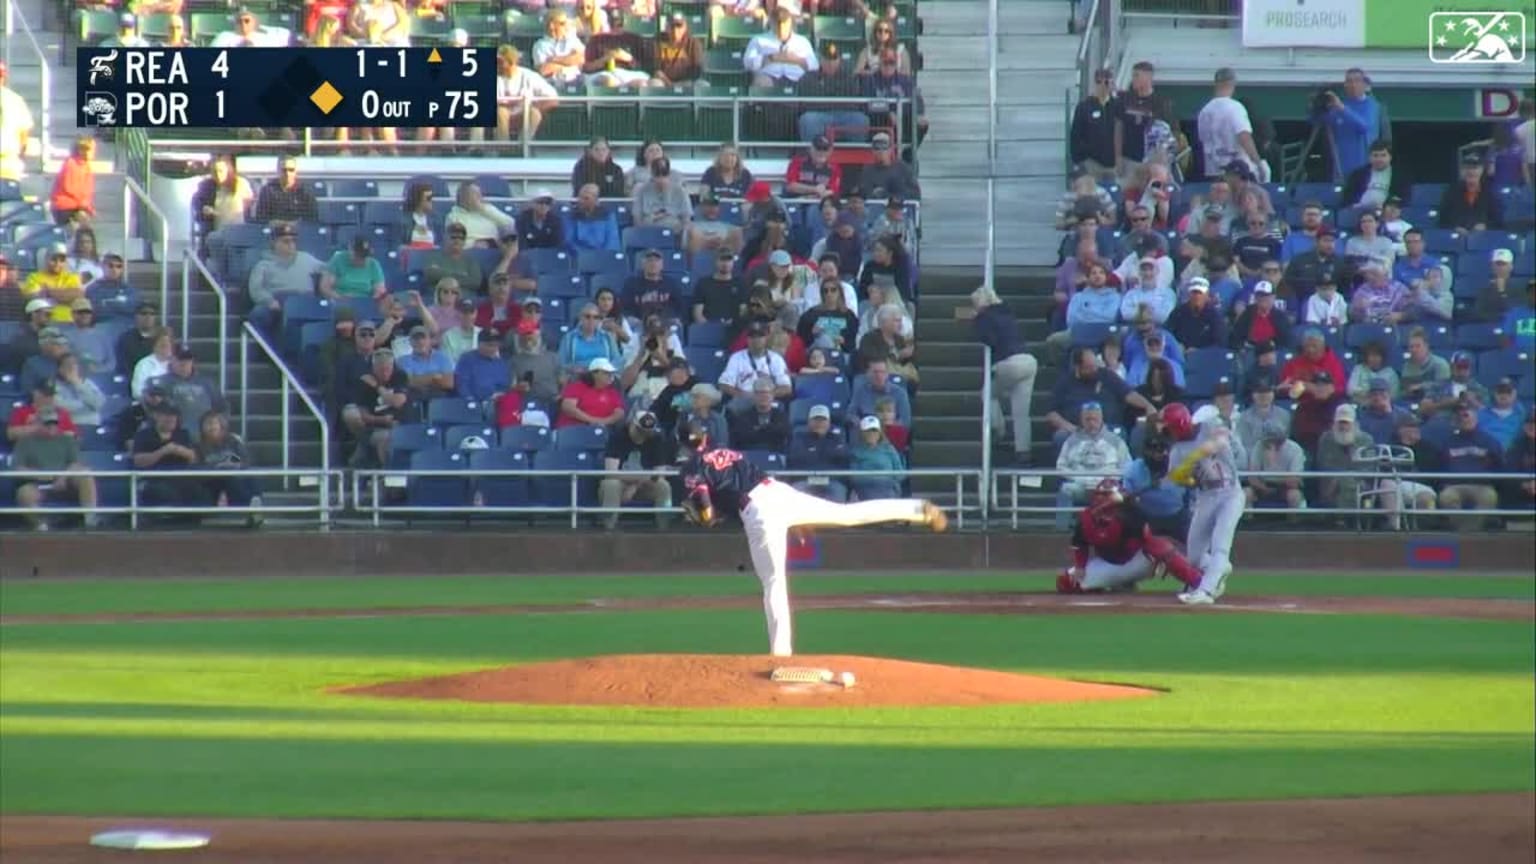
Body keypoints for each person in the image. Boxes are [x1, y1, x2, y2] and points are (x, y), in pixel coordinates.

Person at [677, 419, 948, 657]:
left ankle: (780, 654)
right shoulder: (725, 451)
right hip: (779, 492)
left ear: (682, 442)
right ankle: (916, 509)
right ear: (704, 436)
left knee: (774, 583)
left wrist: (700, 516)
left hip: (758, 510)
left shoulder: (692, 466)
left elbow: (707, 511)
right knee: (846, 514)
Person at [1056, 478, 1201, 594]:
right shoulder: (1086, 518)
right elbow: (1080, 544)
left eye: (1108, 495)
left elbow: (1152, 543)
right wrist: (1080, 567)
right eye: (1102, 495)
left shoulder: (1130, 515)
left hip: (1136, 561)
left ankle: (1197, 581)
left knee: (1163, 548)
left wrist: (1162, 558)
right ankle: (1120, 584)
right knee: (1066, 582)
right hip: (1109, 562)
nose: (1104, 500)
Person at [1162, 402, 1243, 606]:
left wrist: (1196, 456)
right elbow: (1178, 478)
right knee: (1195, 556)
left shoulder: (1208, 425)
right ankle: (1220, 568)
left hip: (1230, 492)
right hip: (1205, 497)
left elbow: (1220, 442)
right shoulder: (1177, 450)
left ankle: (1207, 590)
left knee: (1220, 545)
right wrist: (1185, 477)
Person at [970, 284, 1040, 467]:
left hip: (1009, 362)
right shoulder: (1007, 313)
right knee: (1021, 412)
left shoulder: (985, 317)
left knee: (988, 393)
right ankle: (1023, 451)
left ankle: (997, 430)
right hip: (1029, 361)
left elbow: (990, 340)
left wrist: (976, 321)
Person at [597, 410, 674, 529]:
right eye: (640, 431)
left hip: (643, 485)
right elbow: (611, 473)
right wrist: (635, 481)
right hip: (620, 485)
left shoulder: (656, 439)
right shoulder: (618, 437)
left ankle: (664, 527)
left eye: (647, 433)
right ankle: (608, 527)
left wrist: (635, 486)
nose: (643, 435)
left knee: (663, 486)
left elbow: (659, 474)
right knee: (611, 484)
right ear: (633, 424)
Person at [1197, 68, 1265, 181]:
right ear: (1232, 83)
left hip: (1213, 171)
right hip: (1237, 171)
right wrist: (1257, 162)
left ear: (1215, 84)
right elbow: (1244, 137)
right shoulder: (1235, 108)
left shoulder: (1204, 111)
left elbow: (1203, 139)